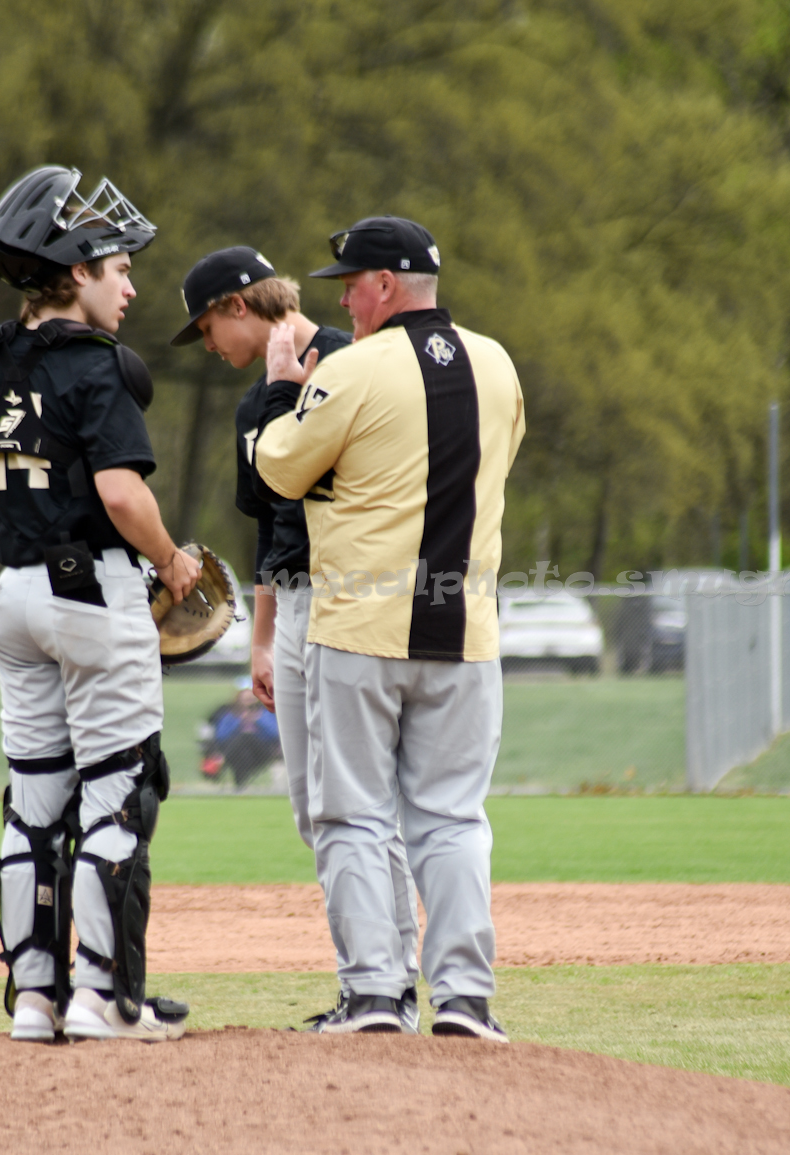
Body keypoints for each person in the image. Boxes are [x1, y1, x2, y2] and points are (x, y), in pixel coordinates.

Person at [255, 216, 525, 1041]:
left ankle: (375, 995)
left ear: (384, 285)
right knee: (452, 818)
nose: (344, 298)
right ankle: (466, 1003)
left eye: (349, 283)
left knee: (355, 817)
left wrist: (277, 392)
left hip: (361, 626)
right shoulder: (499, 363)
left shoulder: (354, 366)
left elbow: (278, 465)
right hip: (465, 630)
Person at [0, 166, 199, 1044]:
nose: (131, 282)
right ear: (73, 270)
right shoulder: (95, 366)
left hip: (13, 595)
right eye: (115, 266)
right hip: (90, 593)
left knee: (33, 802)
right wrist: (173, 562)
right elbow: (120, 496)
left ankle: (34, 998)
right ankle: (103, 1000)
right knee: (118, 796)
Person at [170, 245, 422, 1031]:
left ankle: (386, 985)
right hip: (300, 609)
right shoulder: (255, 408)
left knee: (360, 802)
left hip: (362, 601)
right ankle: (376, 985)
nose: (208, 344)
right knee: (317, 809)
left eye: (208, 324)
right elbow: (275, 530)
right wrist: (261, 638)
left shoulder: (358, 364)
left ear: (240, 305)